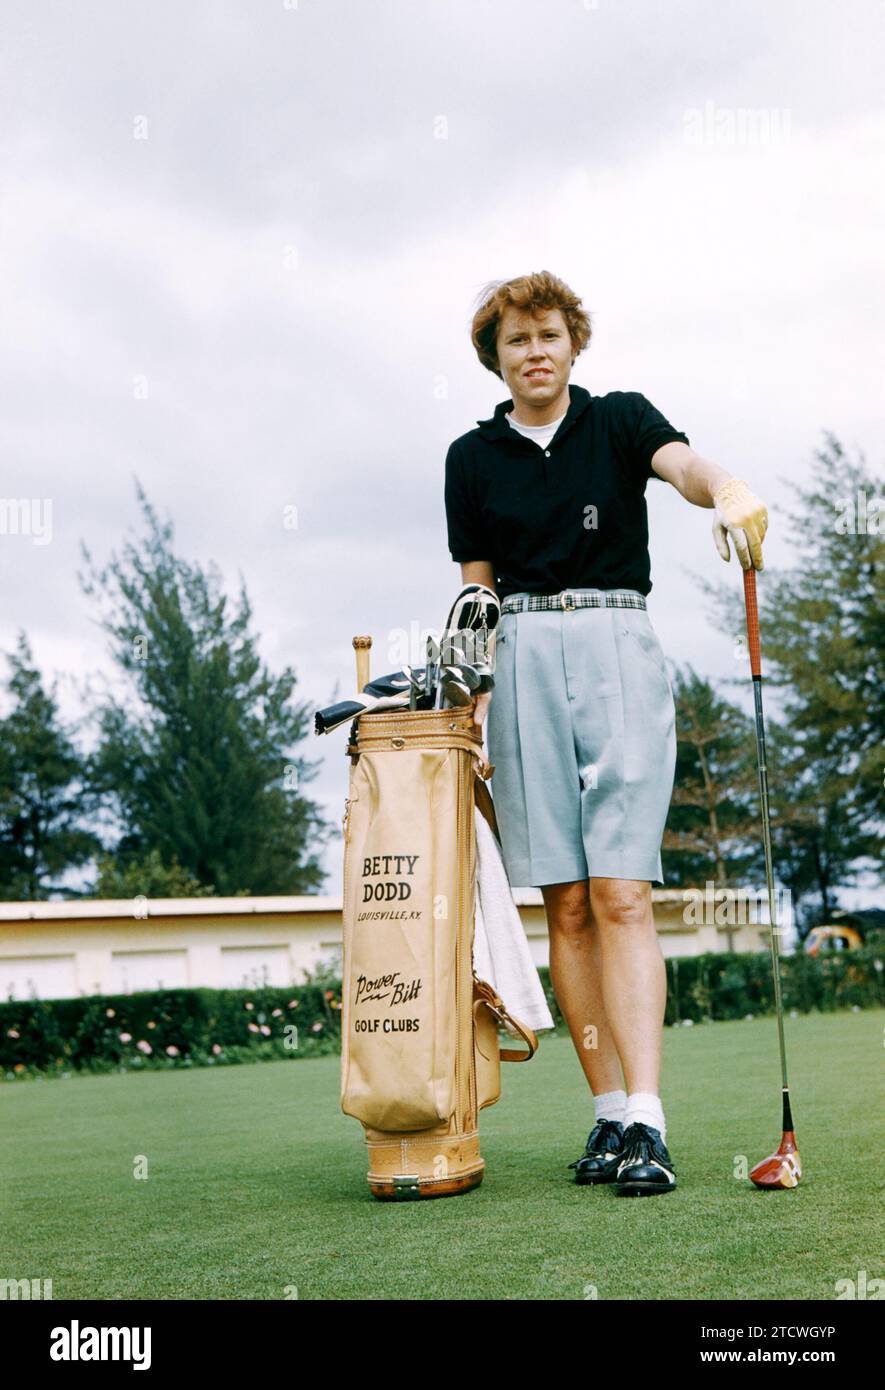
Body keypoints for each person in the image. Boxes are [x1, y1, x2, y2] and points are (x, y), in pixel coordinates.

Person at [443, 270, 768, 1195]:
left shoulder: (620, 418)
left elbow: (685, 466)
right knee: (568, 902)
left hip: (616, 640)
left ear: (573, 344)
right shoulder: (471, 457)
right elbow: (477, 585)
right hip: (519, 658)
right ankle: (607, 1115)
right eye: (516, 341)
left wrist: (731, 489)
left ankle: (650, 1123)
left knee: (622, 891)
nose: (534, 351)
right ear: (496, 358)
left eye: (548, 334)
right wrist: (468, 690)